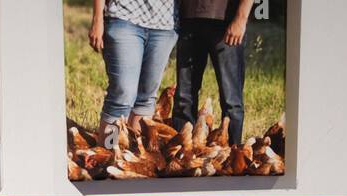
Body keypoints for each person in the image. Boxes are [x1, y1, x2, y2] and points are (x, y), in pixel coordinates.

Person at [89, 0, 177, 147]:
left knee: (146, 96)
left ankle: (134, 154)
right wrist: (97, 19)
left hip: (165, 25)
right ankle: (107, 152)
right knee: (122, 94)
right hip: (124, 17)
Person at [172, 0, 252, 147]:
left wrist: (241, 19)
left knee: (231, 101)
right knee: (184, 98)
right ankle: (181, 157)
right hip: (188, 20)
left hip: (225, 21)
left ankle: (232, 157)